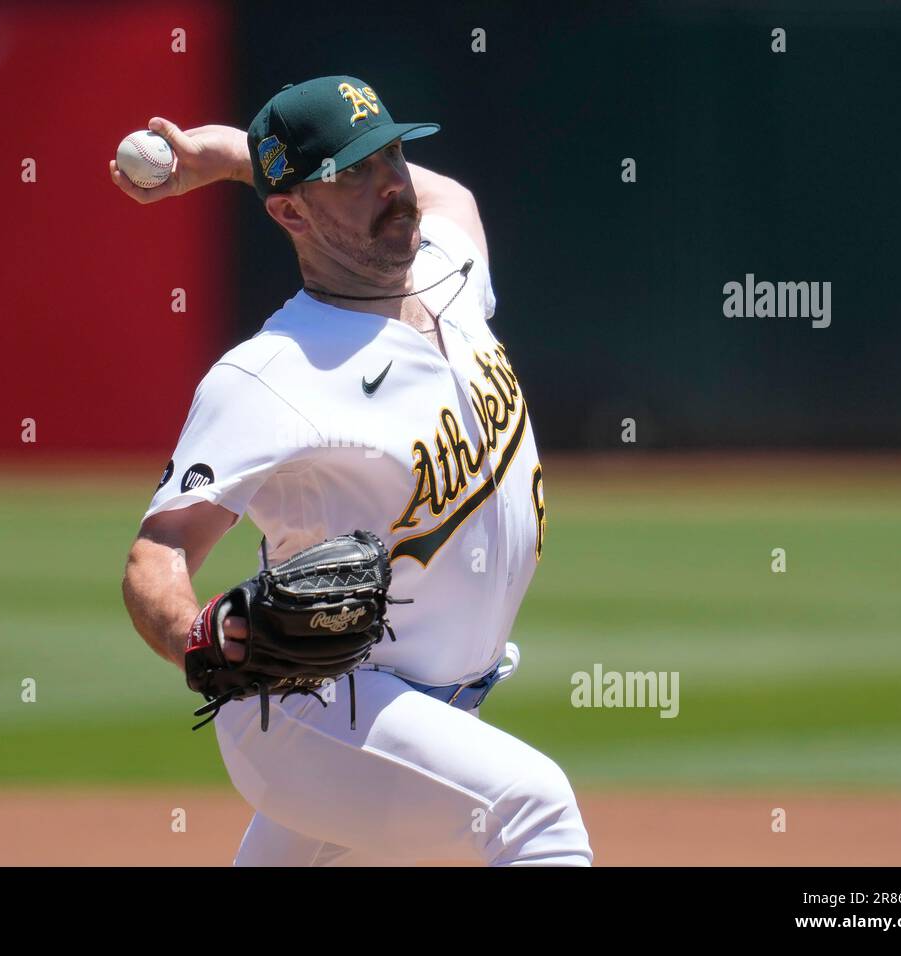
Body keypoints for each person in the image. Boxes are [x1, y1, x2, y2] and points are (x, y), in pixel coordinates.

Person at [115, 76, 591, 866]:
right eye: (352, 172)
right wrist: (198, 636)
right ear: (290, 211)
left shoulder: (448, 272)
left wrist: (240, 156)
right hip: (310, 707)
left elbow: (453, 197)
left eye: (393, 153)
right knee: (534, 813)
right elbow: (156, 553)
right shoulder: (270, 374)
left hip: (413, 711)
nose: (391, 185)